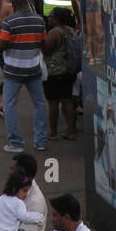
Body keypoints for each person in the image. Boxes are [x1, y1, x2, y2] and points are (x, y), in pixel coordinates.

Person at [0, 0, 48, 153]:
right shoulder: (39, 20)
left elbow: (3, 45)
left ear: (14, 6)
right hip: (33, 69)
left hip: (13, 70)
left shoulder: (9, 22)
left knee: (10, 105)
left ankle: (16, 143)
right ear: (27, 3)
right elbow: (43, 44)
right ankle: (40, 141)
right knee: (40, 103)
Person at [43, 8, 79, 141]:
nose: (48, 18)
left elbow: (46, 50)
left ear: (56, 19)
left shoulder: (54, 33)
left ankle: (53, 132)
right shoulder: (71, 31)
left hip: (55, 71)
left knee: (53, 103)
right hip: (69, 71)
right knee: (68, 101)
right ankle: (71, 131)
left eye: (51, 16)